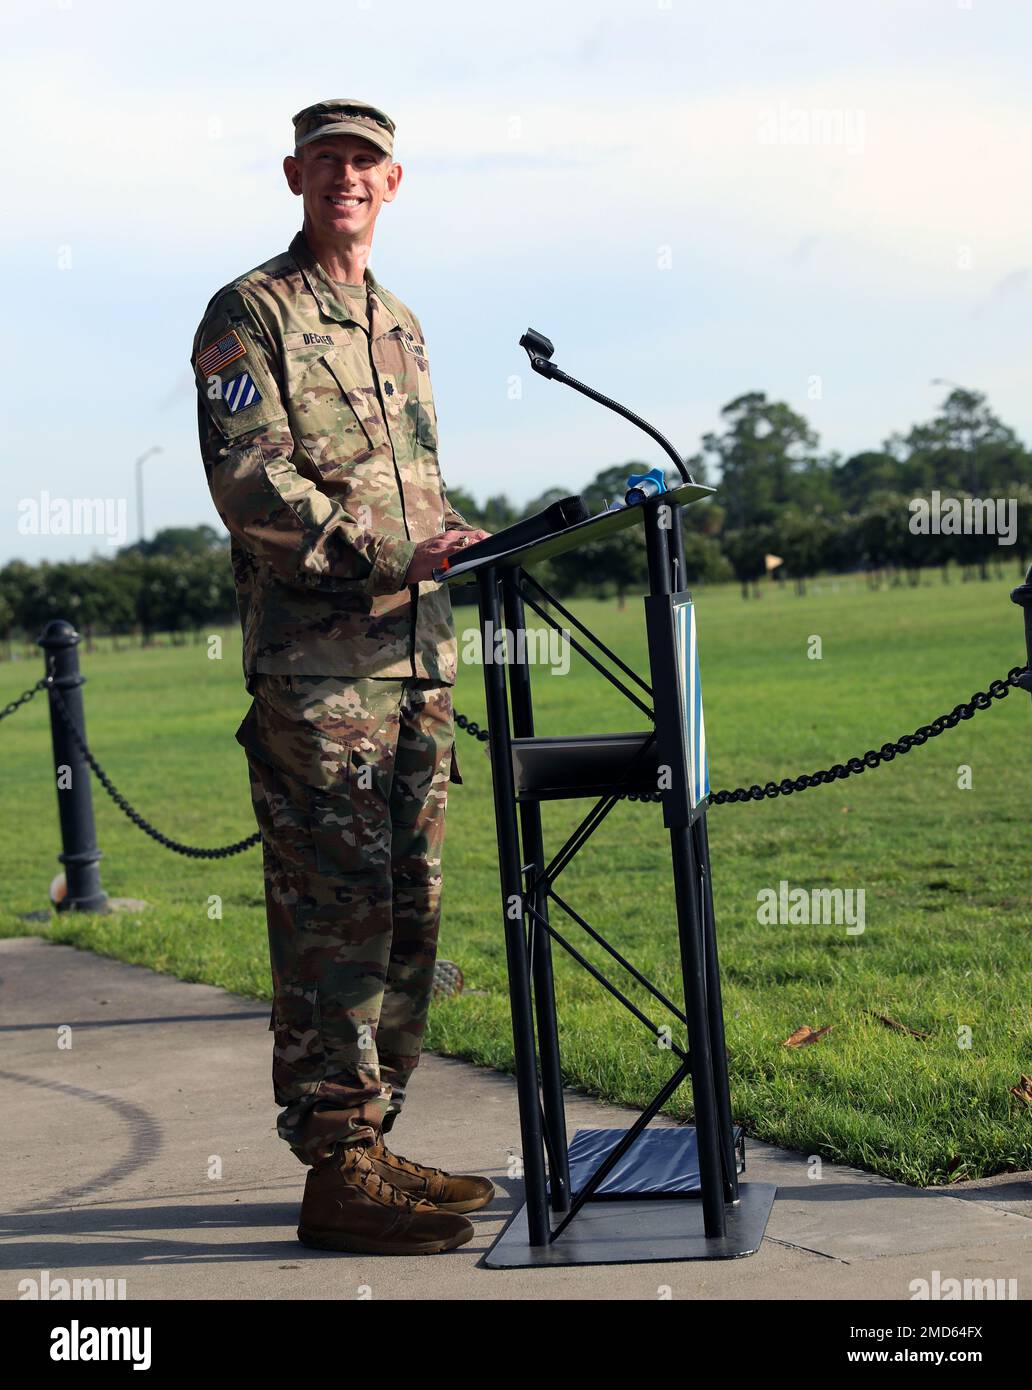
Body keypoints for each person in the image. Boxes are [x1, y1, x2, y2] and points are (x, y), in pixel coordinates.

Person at [192, 98, 494, 1255]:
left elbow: (413, 485)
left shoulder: (401, 325)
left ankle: (374, 1141)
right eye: (327, 163)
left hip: (419, 668)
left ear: (393, 182)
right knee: (336, 912)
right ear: (294, 176)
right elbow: (254, 484)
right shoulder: (250, 312)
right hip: (321, 679)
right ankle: (334, 1165)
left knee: (411, 911)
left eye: (364, 162)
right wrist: (385, 553)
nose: (347, 179)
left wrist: (460, 537)